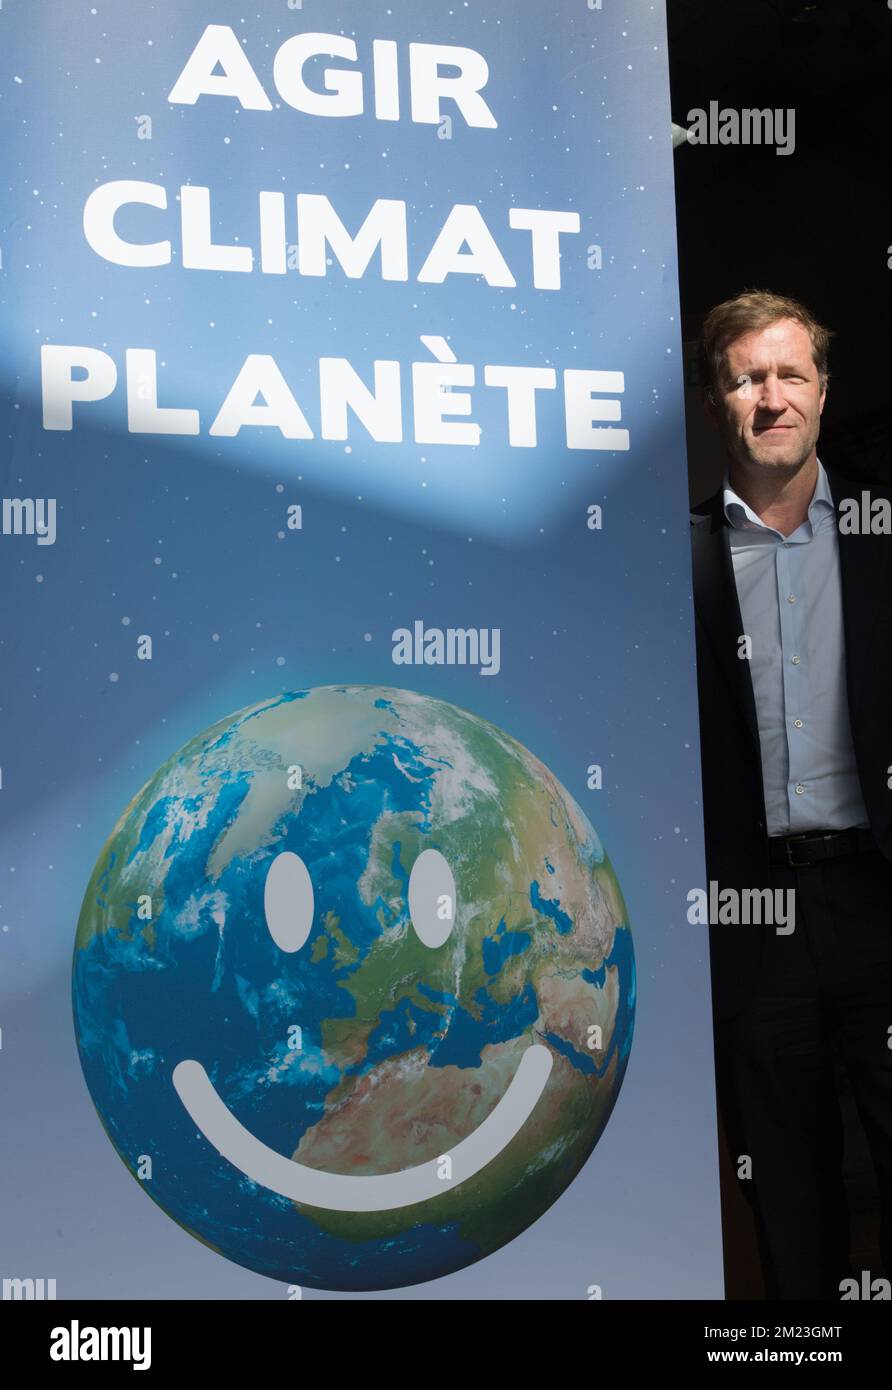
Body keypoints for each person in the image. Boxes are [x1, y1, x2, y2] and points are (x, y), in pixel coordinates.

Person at [690, 289, 892, 1300]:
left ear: (822, 390)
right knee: (791, 1202)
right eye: (746, 376)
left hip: (879, 902)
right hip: (751, 918)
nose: (771, 396)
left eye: (789, 374)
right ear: (717, 399)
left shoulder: (882, 531)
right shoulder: (666, 560)